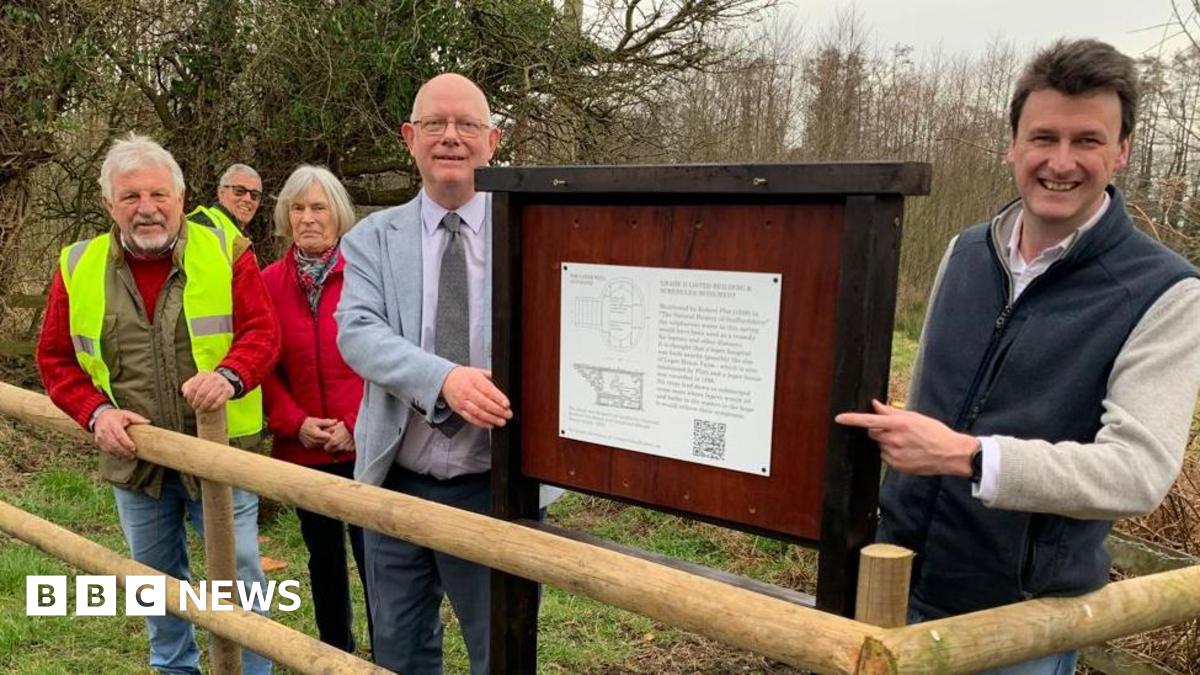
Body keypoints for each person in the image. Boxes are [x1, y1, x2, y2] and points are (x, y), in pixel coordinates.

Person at [836, 39, 1200, 672]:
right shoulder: (964, 252)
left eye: (1087, 140)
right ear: (1012, 146)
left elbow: (1137, 472)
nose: (1060, 162)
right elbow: (926, 397)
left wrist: (967, 456)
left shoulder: (1167, 292)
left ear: (1122, 151)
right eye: (1043, 137)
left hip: (1020, 620)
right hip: (895, 580)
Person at [336, 73, 559, 675]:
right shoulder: (371, 239)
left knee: (502, 654)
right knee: (400, 653)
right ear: (410, 138)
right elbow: (357, 332)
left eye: (466, 125)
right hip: (395, 485)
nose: (450, 137)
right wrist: (444, 380)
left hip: (497, 490)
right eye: (435, 124)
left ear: (494, 140)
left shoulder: (537, 233)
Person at [36, 133, 279, 675]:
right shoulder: (79, 264)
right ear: (108, 205)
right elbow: (54, 360)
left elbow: (263, 333)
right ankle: (173, 668)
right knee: (153, 578)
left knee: (239, 573)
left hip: (220, 455)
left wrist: (229, 375)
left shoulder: (225, 250)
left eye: (157, 195)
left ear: (180, 194)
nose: (146, 209)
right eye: (130, 198)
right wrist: (95, 413)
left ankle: (253, 671)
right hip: (136, 456)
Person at [260, 165, 371, 655]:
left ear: (339, 214)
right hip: (303, 449)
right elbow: (261, 364)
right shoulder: (265, 283)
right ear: (285, 215)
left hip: (366, 446)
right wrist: (294, 423)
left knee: (378, 559)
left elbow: (384, 357)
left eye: (318, 207)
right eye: (298, 208)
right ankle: (334, 653)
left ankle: (388, 653)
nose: (307, 218)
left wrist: (356, 424)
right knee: (323, 560)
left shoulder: (368, 275)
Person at [213, 163, 264, 229]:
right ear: (221, 193)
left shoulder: (233, 233)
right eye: (239, 191)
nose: (247, 199)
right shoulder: (205, 226)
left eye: (254, 195)